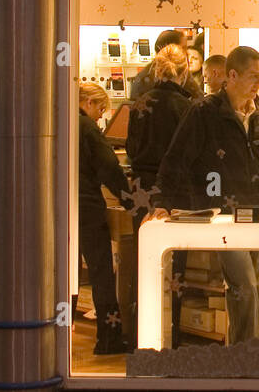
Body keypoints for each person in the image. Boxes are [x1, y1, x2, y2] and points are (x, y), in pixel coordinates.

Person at [152, 46, 259, 344]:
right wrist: (162, 202)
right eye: (254, 77)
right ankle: (245, 358)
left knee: (258, 290)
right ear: (232, 75)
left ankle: (243, 352)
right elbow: (176, 159)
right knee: (245, 288)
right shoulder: (203, 112)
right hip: (225, 216)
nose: (258, 84)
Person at [125, 44, 195, 348]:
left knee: (146, 262)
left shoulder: (141, 102)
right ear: (185, 72)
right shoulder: (187, 107)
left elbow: (130, 148)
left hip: (141, 188)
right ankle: (171, 335)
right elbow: (190, 154)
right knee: (174, 267)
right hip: (175, 191)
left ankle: (144, 335)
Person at [77, 82, 130, 355]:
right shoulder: (87, 129)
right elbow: (109, 167)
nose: (100, 115)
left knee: (67, 273)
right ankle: (108, 339)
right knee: (101, 273)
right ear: (87, 102)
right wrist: (131, 200)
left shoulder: (60, 120)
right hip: (87, 207)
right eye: (100, 108)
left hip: (64, 207)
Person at [130, 28, 188, 99]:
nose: (186, 52)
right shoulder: (147, 77)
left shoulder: (145, 74)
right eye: (183, 48)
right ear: (170, 49)